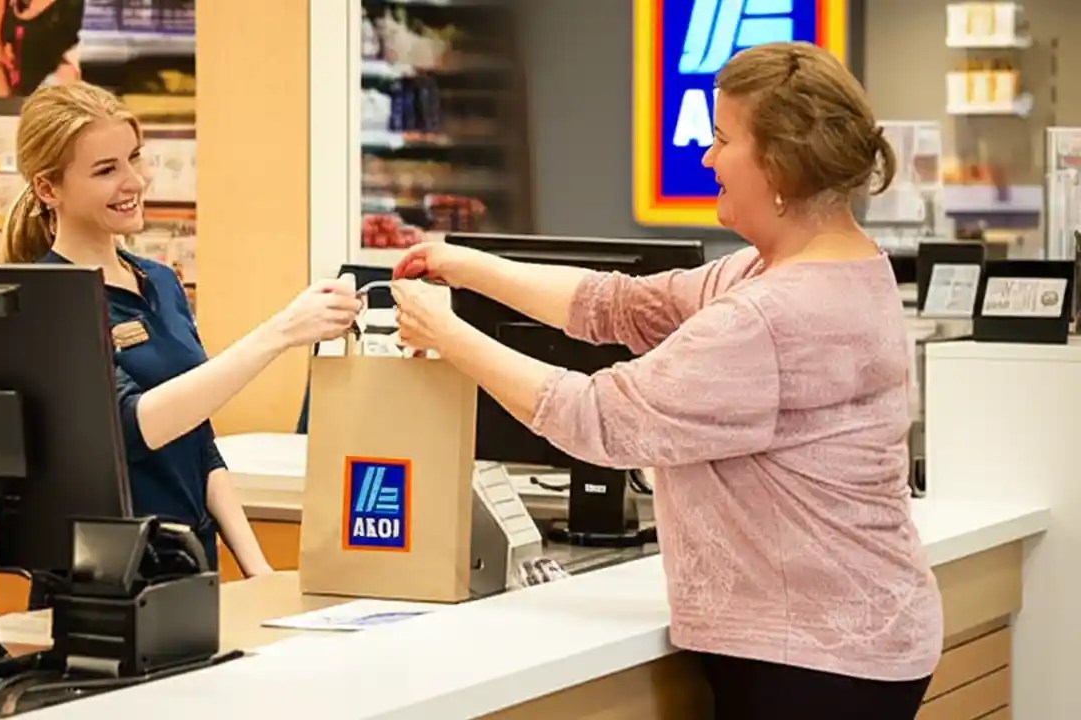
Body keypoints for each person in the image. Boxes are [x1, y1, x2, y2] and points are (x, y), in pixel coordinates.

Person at [390, 41, 942, 719]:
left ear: (778, 162)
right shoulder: (822, 270)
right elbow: (620, 304)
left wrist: (447, 336)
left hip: (813, 662)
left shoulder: (772, 315)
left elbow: (600, 419)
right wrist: (467, 266)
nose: (707, 159)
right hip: (854, 638)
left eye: (720, 139)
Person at [2, 82, 360, 578]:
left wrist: (259, 572)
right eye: (106, 170)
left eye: (134, 158)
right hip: (105, 584)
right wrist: (278, 333)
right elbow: (135, 425)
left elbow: (199, 441)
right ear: (47, 188)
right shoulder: (45, 300)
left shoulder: (161, 282)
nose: (134, 182)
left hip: (191, 569)